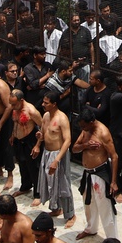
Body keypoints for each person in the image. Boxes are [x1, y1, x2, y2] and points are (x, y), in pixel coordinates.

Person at [72, 105, 120, 240]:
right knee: (89, 203)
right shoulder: (85, 130)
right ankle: (91, 228)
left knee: (105, 207)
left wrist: (113, 182)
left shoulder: (103, 133)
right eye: (81, 127)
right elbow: (74, 149)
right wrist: (86, 145)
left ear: (91, 122)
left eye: (84, 126)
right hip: (87, 173)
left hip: (100, 173)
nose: (82, 129)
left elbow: (114, 156)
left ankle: (113, 239)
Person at [36, 91, 76, 224]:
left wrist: (57, 160)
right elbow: (43, 133)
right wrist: (37, 144)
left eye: (46, 103)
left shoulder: (62, 118)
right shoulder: (46, 115)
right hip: (47, 152)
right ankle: (55, 208)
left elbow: (68, 140)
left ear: (54, 104)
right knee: (49, 182)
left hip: (59, 154)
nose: (43, 105)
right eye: (43, 102)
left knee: (64, 184)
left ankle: (71, 215)